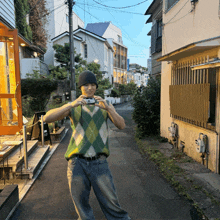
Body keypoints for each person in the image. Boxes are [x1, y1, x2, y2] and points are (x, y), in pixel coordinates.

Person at [43, 70, 131, 220]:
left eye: (92, 85)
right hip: (77, 163)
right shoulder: (73, 106)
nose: (90, 88)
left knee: (112, 204)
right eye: (86, 85)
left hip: (99, 161)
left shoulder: (105, 105)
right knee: (81, 207)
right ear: (80, 87)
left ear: (96, 86)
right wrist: (71, 104)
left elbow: (122, 125)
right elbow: (47, 118)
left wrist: (109, 109)